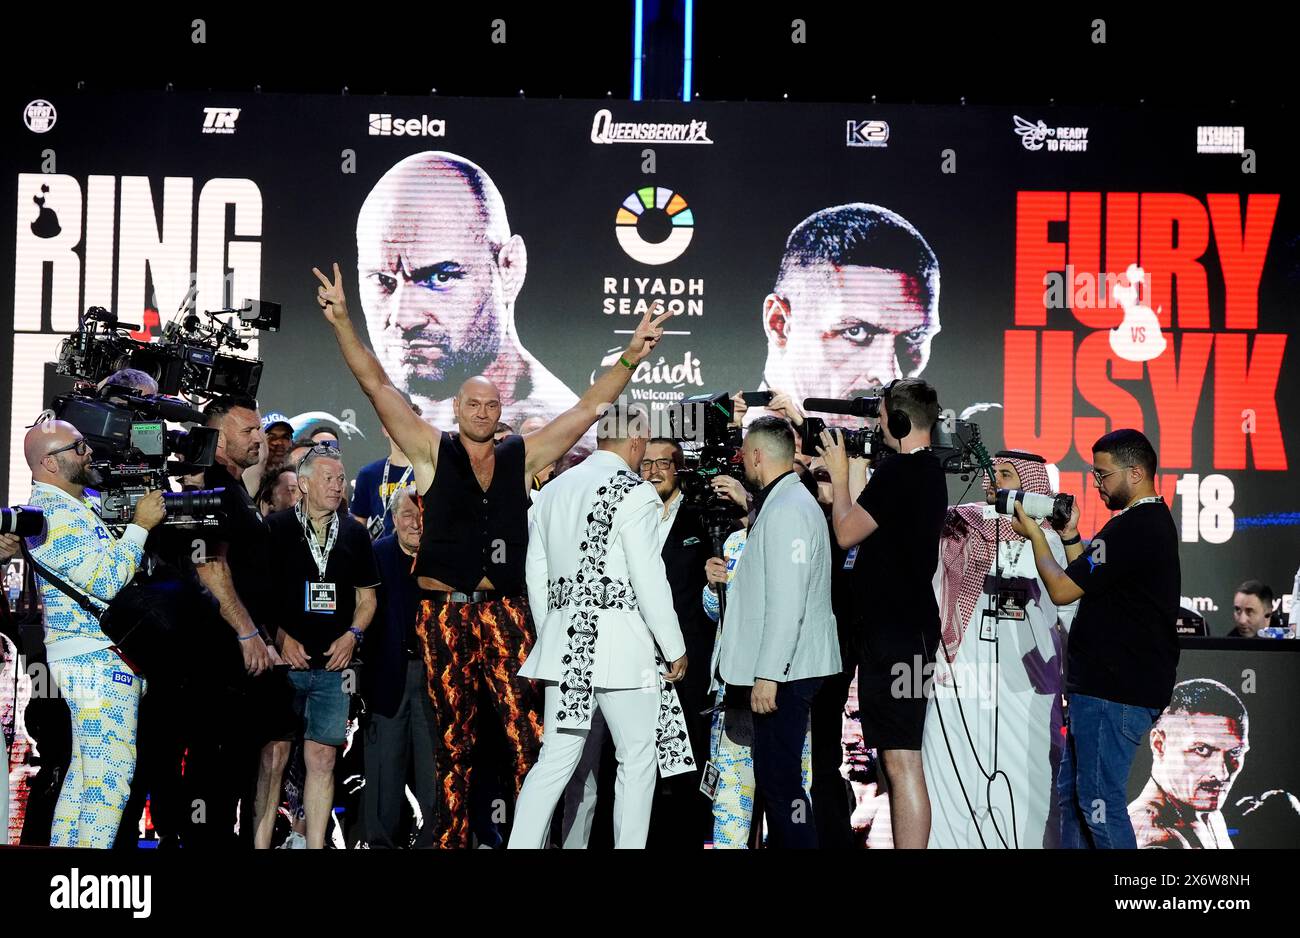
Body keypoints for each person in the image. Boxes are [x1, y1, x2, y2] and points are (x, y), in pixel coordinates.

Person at [314, 261, 671, 848]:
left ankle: (535, 842)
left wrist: (631, 355)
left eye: (490, 406)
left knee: (532, 735)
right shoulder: (430, 453)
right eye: (472, 406)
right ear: (456, 411)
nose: (482, 413)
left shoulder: (521, 457)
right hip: (444, 615)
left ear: (499, 411)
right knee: (451, 743)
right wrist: (343, 322)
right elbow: (377, 385)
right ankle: (452, 842)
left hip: (504, 611)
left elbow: (585, 411)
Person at [509, 403, 689, 848]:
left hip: (569, 651)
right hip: (624, 653)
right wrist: (673, 644)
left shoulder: (552, 490)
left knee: (553, 763)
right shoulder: (636, 492)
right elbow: (648, 576)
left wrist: (554, 631)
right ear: (634, 441)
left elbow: (537, 575)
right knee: (638, 760)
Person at [1010, 428, 1181, 849]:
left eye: (1103, 475)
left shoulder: (1135, 526)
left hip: (1114, 692)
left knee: (1098, 804)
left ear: (1136, 472)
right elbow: (1088, 578)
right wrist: (1069, 537)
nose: (1096, 483)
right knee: (1075, 800)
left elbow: (1064, 589)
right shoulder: (1136, 524)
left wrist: (1035, 535)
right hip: (1105, 691)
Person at [355, 151, 580, 431]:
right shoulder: (401, 429)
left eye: (440, 276)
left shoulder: (562, 442)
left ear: (509, 268)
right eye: (384, 280)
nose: (404, 318)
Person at [20, 419, 166, 847]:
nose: (88, 453)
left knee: (86, 779)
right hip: (94, 662)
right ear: (49, 462)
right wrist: (139, 527)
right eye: (78, 446)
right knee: (109, 781)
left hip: (93, 658)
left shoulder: (71, 506)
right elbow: (106, 580)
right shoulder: (50, 514)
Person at [924, 451, 1079, 848]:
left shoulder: (1053, 546)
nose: (996, 480)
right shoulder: (958, 530)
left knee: (1028, 799)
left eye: (1007, 474)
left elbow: (1073, 616)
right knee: (952, 796)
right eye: (993, 473)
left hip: (1025, 695)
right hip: (959, 687)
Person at [819, 378, 948, 849]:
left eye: (880, 414)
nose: (876, 424)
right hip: (904, 633)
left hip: (897, 636)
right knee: (899, 759)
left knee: (901, 760)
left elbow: (847, 533)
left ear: (896, 419)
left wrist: (837, 472)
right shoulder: (925, 471)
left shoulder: (902, 472)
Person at [713, 416, 840, 848]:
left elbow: (788, 602)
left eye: (744, 453)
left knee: (781, 783)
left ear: (756, 456)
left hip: (785, 671)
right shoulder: (782, 504)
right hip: (788, 666)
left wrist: (769, 674)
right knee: (777, 779)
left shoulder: (787, 510)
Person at [258, 444, 379, 849]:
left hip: (332, 668)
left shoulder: (356, 533)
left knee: (323, 759)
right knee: (273, 760)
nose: (337, 485)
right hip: (283, 666)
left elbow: (367, 600)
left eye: (341, 479)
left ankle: (314, 846)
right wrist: (280, 636)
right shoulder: (275, 528)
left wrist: (353, 635)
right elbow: (258, 598)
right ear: (304, 485)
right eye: (328, 478)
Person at [755, 204, 941, 415]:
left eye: (915, 336)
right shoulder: (735, 445)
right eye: (856, 331)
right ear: (779, 324)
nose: (890, 375)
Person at [363, 486, 440, 848]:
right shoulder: (375, 556)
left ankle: (432, 842)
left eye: (421, 515)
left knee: (434, 773)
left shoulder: (442, 558)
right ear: (393, 519)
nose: (416, 523)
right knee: (384, 774)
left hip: (434, 679)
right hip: (387, 677)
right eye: (408, 515)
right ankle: (380, 843)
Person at [1129, 679, 1248, 849]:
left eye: (1235, 752)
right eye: (1202, 749)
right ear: (1159, 744)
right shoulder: (1157, 838)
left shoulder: (1207, 814)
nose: (1222, 774)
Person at [351, 401, 421, 539]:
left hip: (422, 554)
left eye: (409, 425)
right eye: (397, 424)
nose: (403, 432)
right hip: (381, 555)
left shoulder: (430, 472)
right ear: (385, 429)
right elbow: (358, 527)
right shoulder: (369, 474)